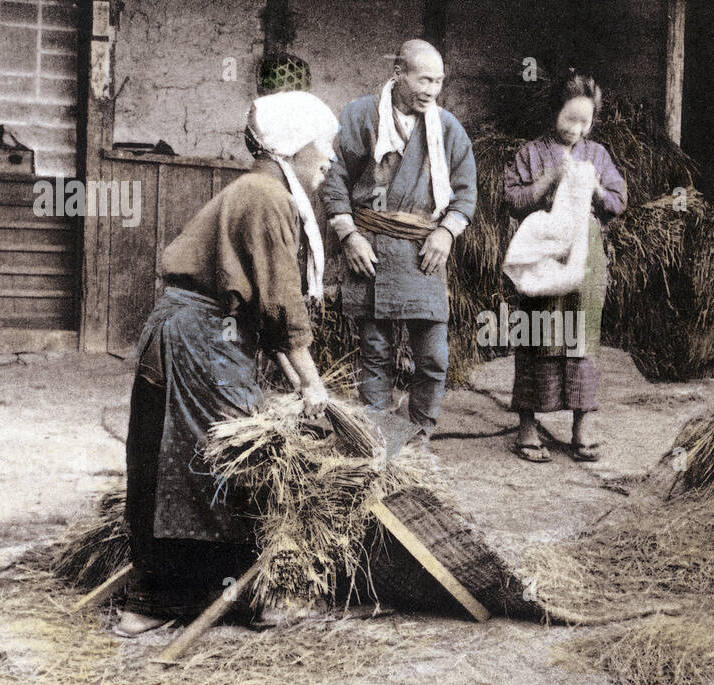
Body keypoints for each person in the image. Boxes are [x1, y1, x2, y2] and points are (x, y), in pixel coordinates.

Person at [116, 91, 338, 637]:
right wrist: (313, 387)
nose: (329, 160)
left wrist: (301, 380)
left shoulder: (259, 191)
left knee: (185, 455)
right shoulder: (265, 196)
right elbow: (282, 305)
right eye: (324, 148)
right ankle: (175, 598)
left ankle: (170, 593)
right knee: (210, 459)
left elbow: (267, 314)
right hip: (199, 341)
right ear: (294, 147)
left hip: (194, 335)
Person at [322, 39, 477, 444]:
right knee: (375, 354)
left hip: (424, 251)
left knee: (433, 358)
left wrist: (446, 231)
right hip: (370, 248)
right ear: (398, 74)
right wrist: (349, 236)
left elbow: (465, 191)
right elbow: (334, 177)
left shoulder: (446, 127)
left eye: (439, 81)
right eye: (424, 79)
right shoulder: (361, 115)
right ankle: (379, 441)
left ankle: (420, 436)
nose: (432, 90)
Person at [502, 72, 627, 462]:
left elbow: (618, 202)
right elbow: (512, 198)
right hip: (542, 252)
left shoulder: (598, 155)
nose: (576, 129)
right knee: (538, 334)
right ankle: (527, 425)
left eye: (584, 122)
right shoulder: (531, 153)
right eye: (569, 118)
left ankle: (582, 425)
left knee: (582, 337)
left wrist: (596, 190)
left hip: (584, 256)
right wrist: (548, 180)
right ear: (554, 111)